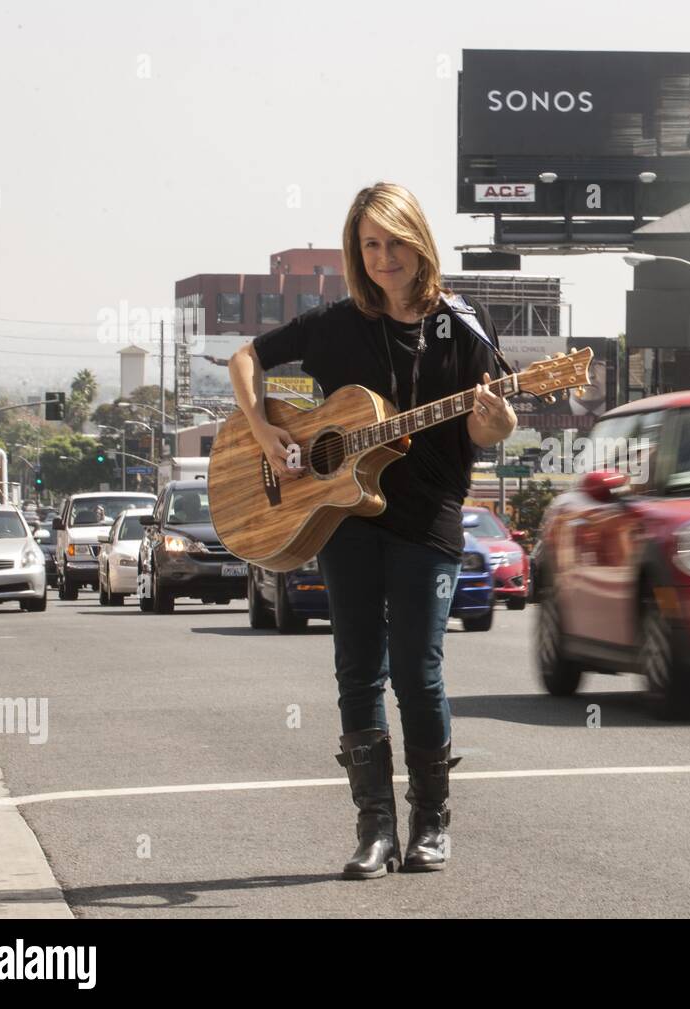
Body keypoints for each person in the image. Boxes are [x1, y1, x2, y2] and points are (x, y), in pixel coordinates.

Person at [228, 182, 516, 879]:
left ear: (420, 240)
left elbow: (493, 427)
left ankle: (432, 823)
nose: (384, 256)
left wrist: (492, 420)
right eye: (370, 244)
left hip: (429, 515)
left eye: (394, 241)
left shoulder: (463, 326)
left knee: (419, 672)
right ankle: (375, 829)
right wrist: (266, 431)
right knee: (357, 670)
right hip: (342, 515)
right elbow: (247, 359)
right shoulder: (334, 323)